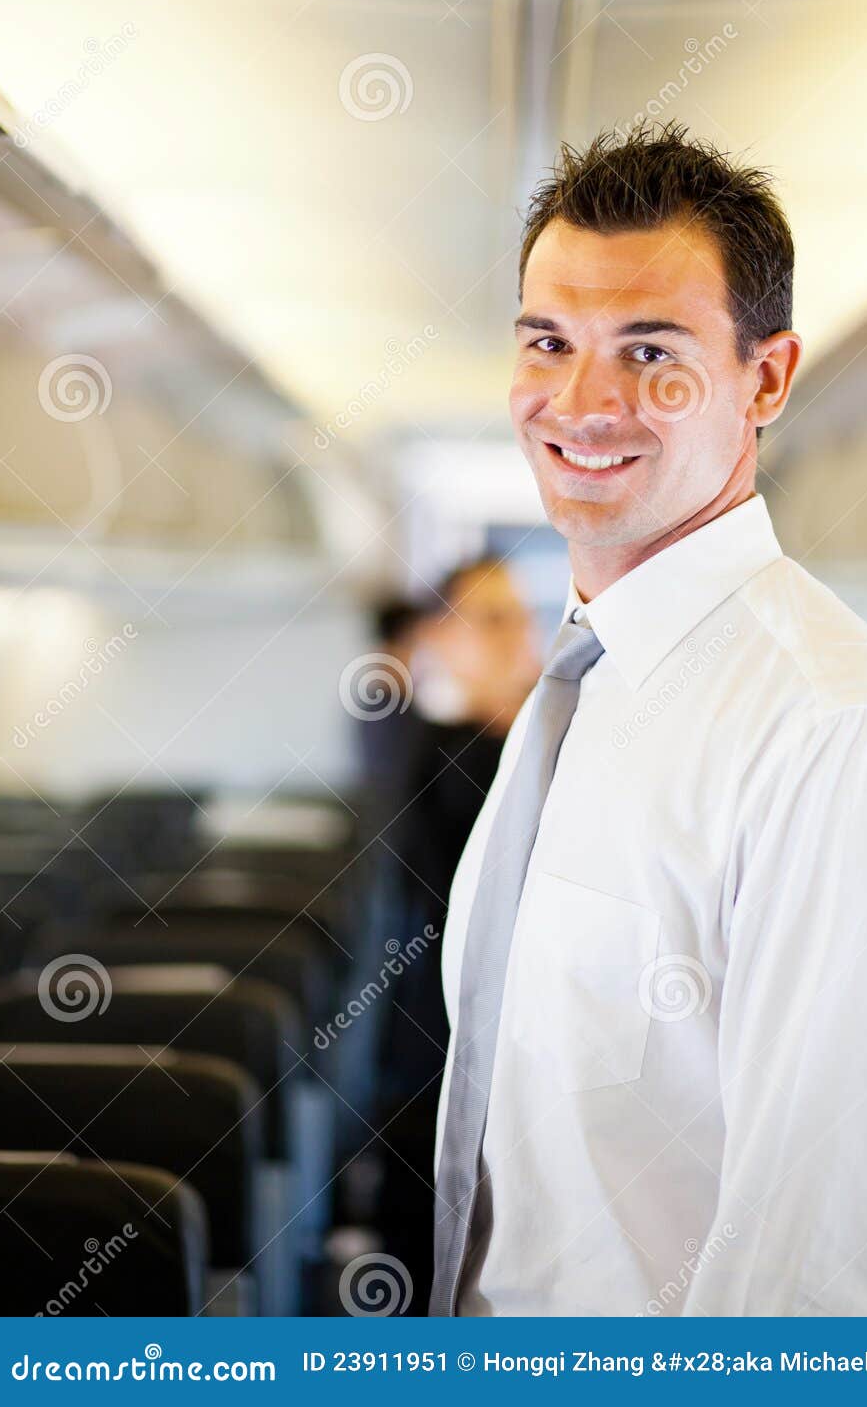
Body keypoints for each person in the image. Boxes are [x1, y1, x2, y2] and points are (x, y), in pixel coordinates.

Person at [430, 122, 867, 1318]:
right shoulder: (585, 677)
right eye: (548, 341)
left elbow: (815, 1287)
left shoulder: (837, 733)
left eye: (650, 350)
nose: (580, 401)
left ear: (767, 379)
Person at [371, 557, 539, 1309]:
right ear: (440, 636)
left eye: (522, 616)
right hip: (432, 1041)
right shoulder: (430, 754)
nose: (519, 637)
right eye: (491, 619)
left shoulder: (554, 740)